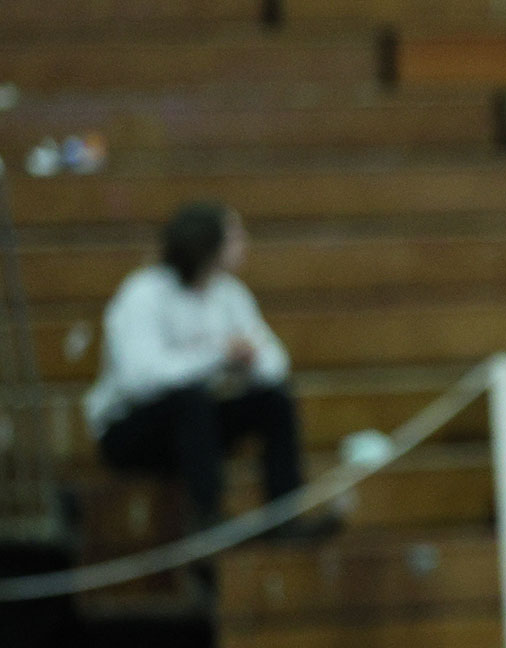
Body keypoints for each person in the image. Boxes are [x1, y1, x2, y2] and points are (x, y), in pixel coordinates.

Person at [87, 201, 334, 541]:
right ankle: (207, 516)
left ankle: (285, 518)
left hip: (198, 429)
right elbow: (139, 380)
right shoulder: (144, 293)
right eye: (234, 235)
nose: (244, 242)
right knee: (191, 400)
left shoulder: (229, 294)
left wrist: (249, 359)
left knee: (274, 401)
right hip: (130, 431)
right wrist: (217, 356)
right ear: (207, 241)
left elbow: (276, 363)